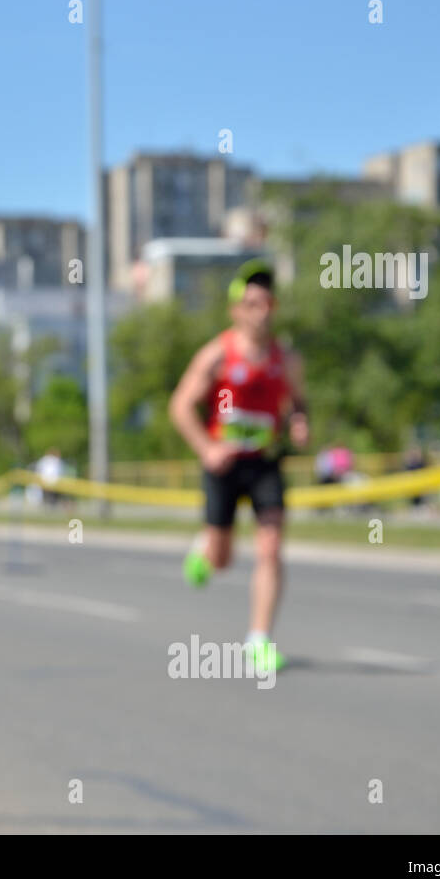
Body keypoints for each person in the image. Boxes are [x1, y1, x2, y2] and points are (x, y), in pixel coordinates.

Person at [167, 260, 308, 675]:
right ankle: (204, 548)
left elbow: (298, 401)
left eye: (266, 302)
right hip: (224, 465)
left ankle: (258, 640)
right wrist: (206, 448)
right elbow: (180, 406)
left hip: (264, 463)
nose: (260, 311)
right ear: (236, 311)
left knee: (271, 547)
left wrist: (300, 421)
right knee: (223, 559)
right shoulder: (217, 355)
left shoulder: (287, 359)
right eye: (251, 303)